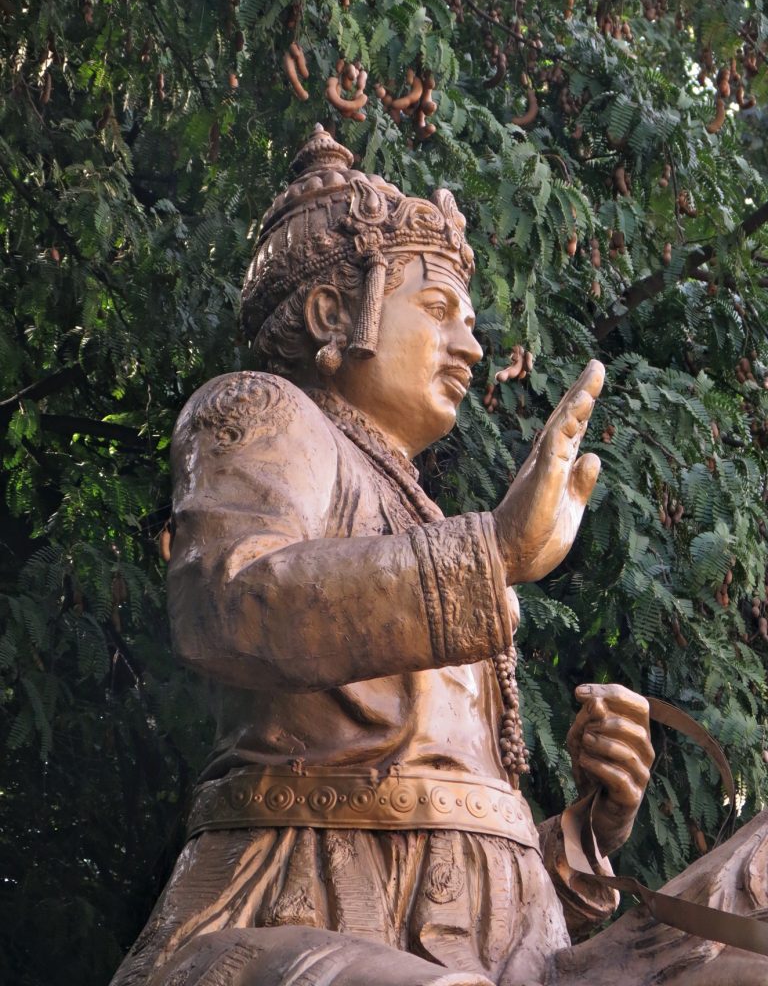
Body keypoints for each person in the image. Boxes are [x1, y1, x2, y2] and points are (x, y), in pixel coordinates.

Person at [110, 127, 768, 986]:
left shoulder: (426, 518)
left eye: (470, 320)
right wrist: (490, 550)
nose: (472, 346)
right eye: (437, 310)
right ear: (329, 314)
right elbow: (231, 605)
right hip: (297, 903)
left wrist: (589, 830)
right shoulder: (262, 413)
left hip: (509, 951)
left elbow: (463, 857)